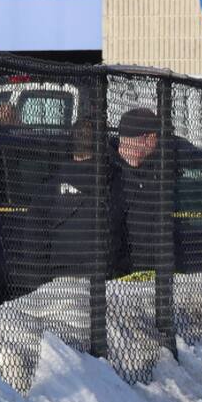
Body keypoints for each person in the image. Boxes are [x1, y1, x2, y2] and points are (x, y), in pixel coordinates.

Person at [34, 119, 125, 297]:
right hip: (102, 275)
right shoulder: (114, 182)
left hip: (59, 277)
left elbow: (34, 232)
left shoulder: (52, 183)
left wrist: (38, 279)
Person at [113, 107, 163, 275]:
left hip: (152, 272)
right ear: (146, 138)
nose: (158, 143)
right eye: (156, 137)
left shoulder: (157, 167)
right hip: (120, 278)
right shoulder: (109, 173)